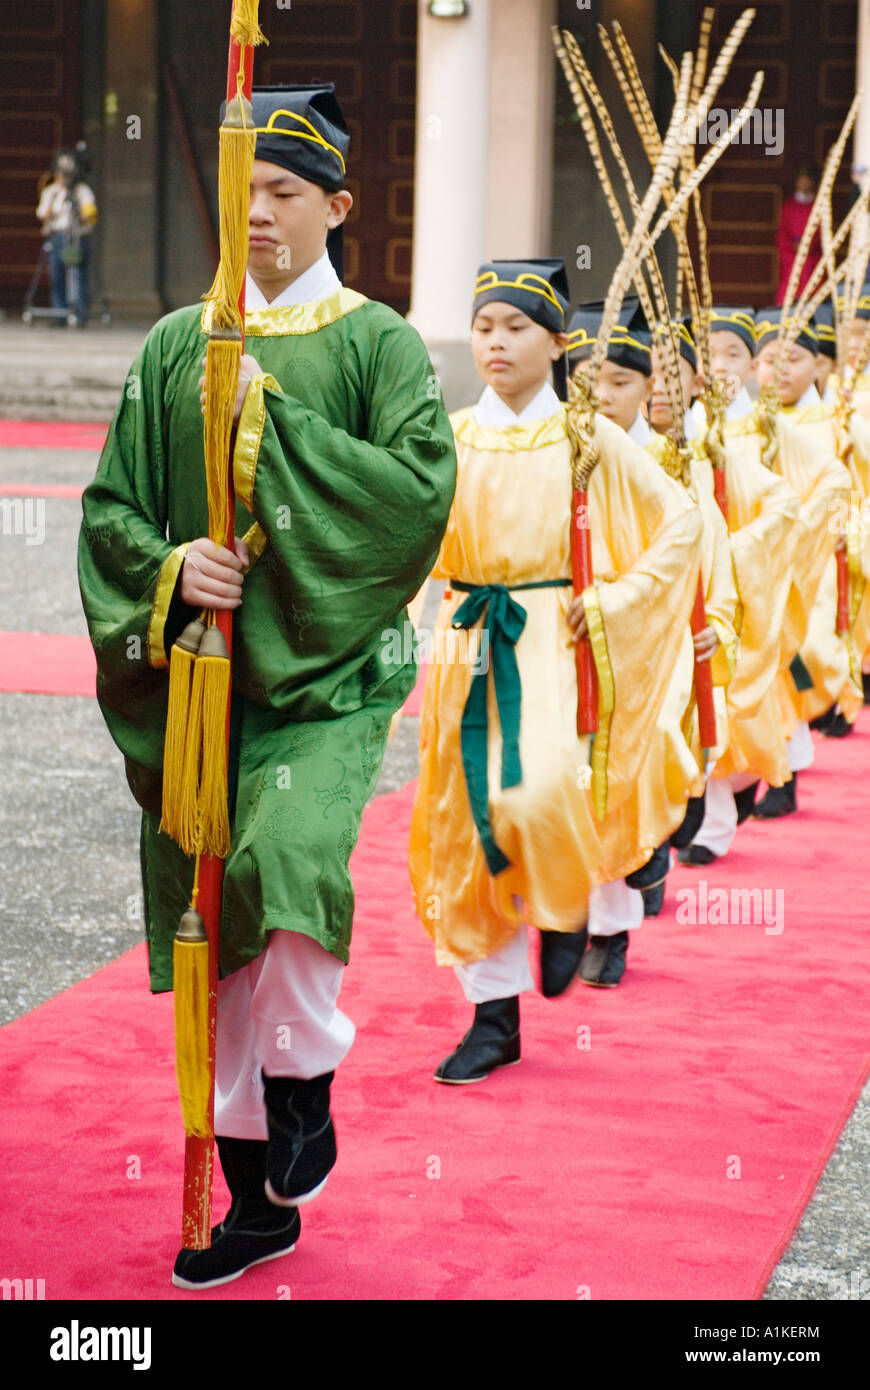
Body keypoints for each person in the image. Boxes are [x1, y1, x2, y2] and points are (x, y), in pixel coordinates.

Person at [78, 85, 457, 1289]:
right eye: (243, 193)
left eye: (283, 193)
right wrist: (174, 565)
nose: (256, 215)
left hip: (328, 671)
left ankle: (304, 1083)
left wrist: (272, 431)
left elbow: (413, 501)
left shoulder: (378, 342)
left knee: (279, 862)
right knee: (214, 917)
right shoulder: (176, 343)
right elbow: (111, 514)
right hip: (202, 679)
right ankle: (251, 1193)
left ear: (338, 204)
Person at [408, 262, 703, 1071]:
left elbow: (681, 522)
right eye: (484, 327)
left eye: (515, 327)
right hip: (466, 633)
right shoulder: (450, 434)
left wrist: (615, 598)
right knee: (465, 823)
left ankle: (567, 902)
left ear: (558, 341)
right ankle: (492, 1018)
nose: (495, 343)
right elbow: (408, 545)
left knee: (534, 790)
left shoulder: (589, 438)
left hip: (548, 636)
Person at [678, 309, 801, 857]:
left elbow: (807, 495)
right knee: (702, 695)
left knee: (747, 693)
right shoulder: (689, 428)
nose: (722, 365)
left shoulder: (766, 427)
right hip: (700, 577)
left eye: (734, 354)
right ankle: (710, 818)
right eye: (711, 355)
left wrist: (748, 549)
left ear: (755, 364)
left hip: (751, 580)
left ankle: (744, 781)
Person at [752, 309, 852, 811]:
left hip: (816, 563)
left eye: (793, 359)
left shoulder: (838, 420)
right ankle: (777, 768)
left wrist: (835, 533)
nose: (781, 371)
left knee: (800, 657)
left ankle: (787, 759)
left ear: (819, 364)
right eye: (769, 360)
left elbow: (850, 490)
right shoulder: (747, 425)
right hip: (760, 564)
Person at [36, 147, 98, 325]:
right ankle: (60, 314)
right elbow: (43, 214)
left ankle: (80, 314)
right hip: (57, 237)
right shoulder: (52, 191)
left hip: (79, 237)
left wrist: (78, 208)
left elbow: (90, 213)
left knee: (79, 277)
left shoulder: (81, 190)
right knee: (57, 276)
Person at [775, 165, 821, 307]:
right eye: (801, 180)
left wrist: (808, 246)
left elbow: (821, 234)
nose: (804, 183)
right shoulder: (789, 206)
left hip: (811, 258)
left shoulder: (818, 207)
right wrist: (793, 247)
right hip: (792, 257)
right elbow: (782, 234)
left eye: (807, 180)